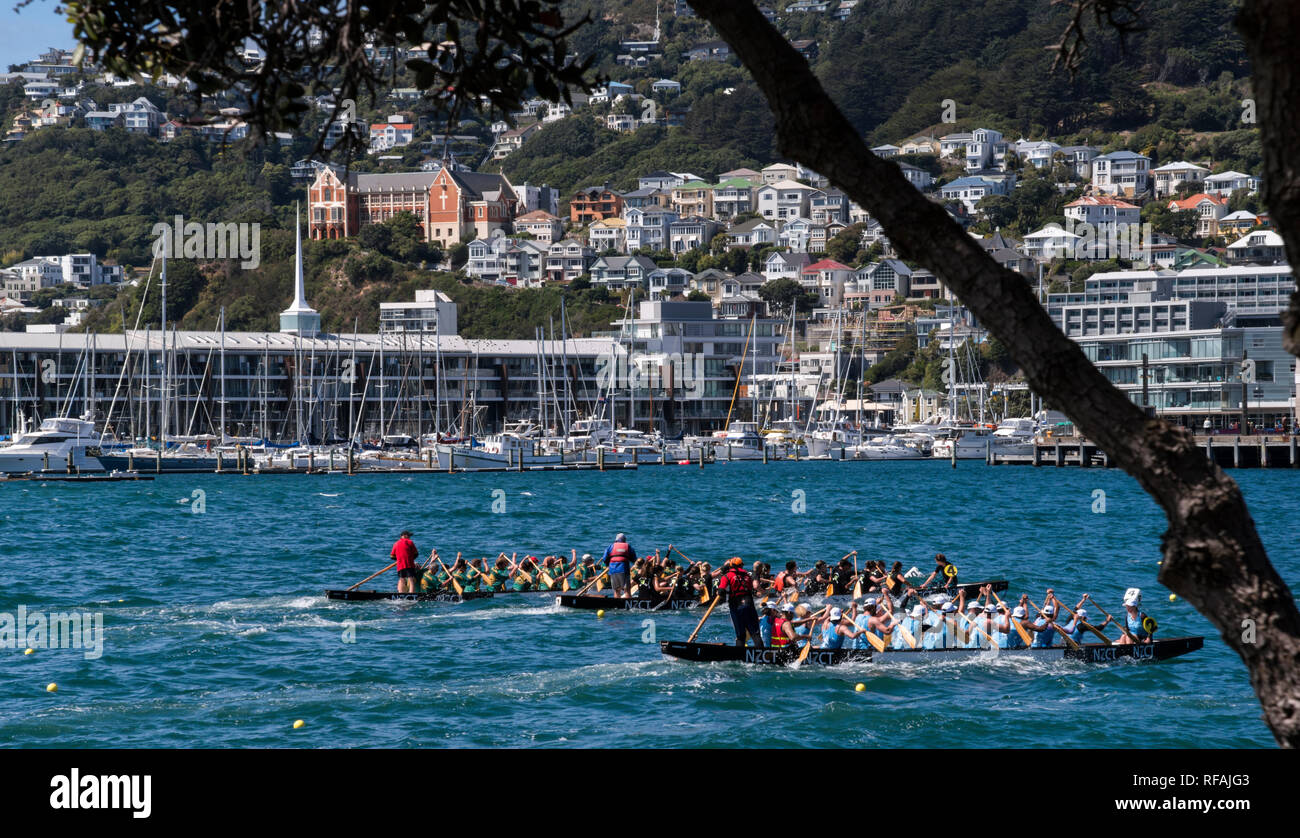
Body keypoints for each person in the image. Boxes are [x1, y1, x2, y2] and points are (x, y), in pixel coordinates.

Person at [718, 557, 763, 648]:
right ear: (741, 565)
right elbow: (750, 589)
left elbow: (721, 591)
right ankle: (762, 654)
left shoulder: (727, 576)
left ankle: (739, 656)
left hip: (736, 605)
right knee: (755, 633)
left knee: (740, 635)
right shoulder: (747, 575)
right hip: (749, 604)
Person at [602, 533, 636, 599]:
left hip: (613, 569)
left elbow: (604, 558)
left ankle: (617, 606)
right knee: (627, 590)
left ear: (616, 540)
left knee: (617, 590)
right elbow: (634, 559)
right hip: (624, 569)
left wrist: (607, 565)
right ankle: (628, 605)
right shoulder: (628, 546)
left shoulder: (611, 546)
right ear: (624, 540)